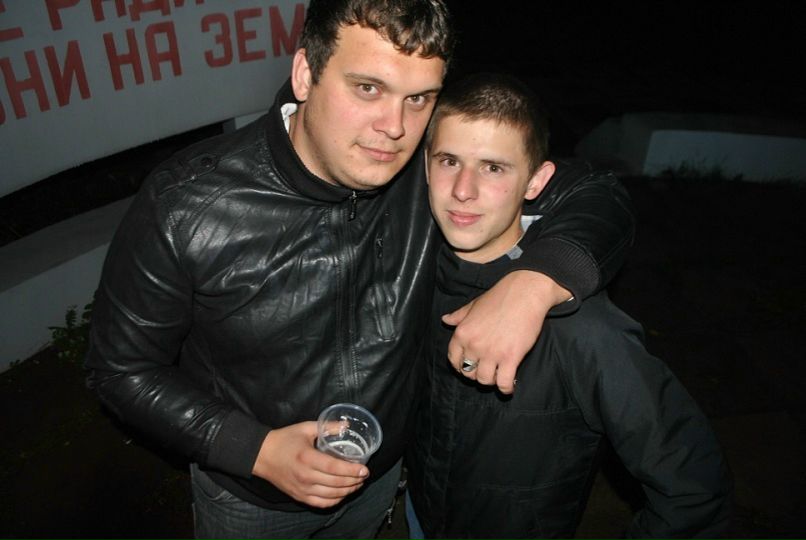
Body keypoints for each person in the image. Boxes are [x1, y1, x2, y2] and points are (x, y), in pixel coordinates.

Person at [84, 1, 634, 539]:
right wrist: (255, 449)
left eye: (418, 98)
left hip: (378, 477)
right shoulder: (187, 205)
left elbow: (596, 191)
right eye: (368, 88)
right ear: (306, 74)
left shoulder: (433, 173)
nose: (394, 127)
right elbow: (121, 369)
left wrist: (534, 285)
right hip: (252, 500)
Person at [406, 72, 733, 540]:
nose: (463, 189)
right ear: (425, 164)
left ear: (536, 181)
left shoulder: (582, 328)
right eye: (449, 160)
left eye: (493, 168)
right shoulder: (415, 271)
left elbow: (694, 489)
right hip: (421, 516)